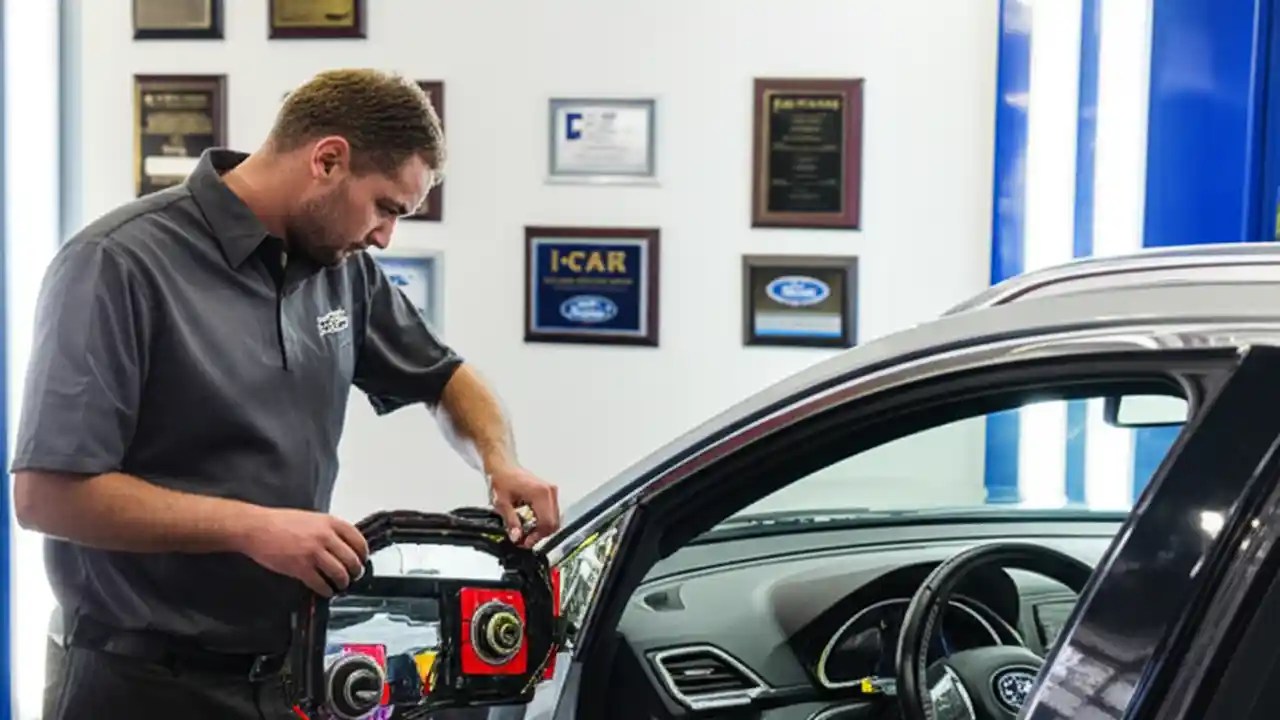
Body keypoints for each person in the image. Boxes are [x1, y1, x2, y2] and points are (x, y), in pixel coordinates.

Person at [11, 68, 561, 719]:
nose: (386, 236)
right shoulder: (116, 264)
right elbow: (47, 494)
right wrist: (253, 528)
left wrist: (499, 459)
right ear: (327, 160)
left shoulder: (343, 272)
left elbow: (446, 377)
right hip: (138, 682)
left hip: (287, 674)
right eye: (385, 207)